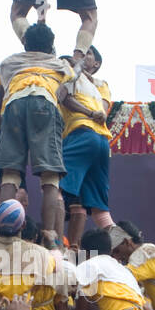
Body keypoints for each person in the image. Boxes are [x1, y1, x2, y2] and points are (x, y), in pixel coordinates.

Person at [0, 25, 75, 242]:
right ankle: (49, 234)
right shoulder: (60, 65)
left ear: (25, 43)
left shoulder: (8, 64)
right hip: (44, 105)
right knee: (50, 177)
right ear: (51, 46)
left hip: (13, 107)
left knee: (10, 174)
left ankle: (2, 233)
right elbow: (67, 90)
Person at [58, 47, 114, 245]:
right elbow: (102, 112)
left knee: (54, 185)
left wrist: (90, 114)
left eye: (88, 53)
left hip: (81, 134)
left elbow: (63, 98)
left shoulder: (82, 79)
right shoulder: (86, 81)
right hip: (101, 141)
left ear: (97, 63)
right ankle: (129, 247)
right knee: (95, 206)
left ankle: (56, 245)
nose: (81, 55)